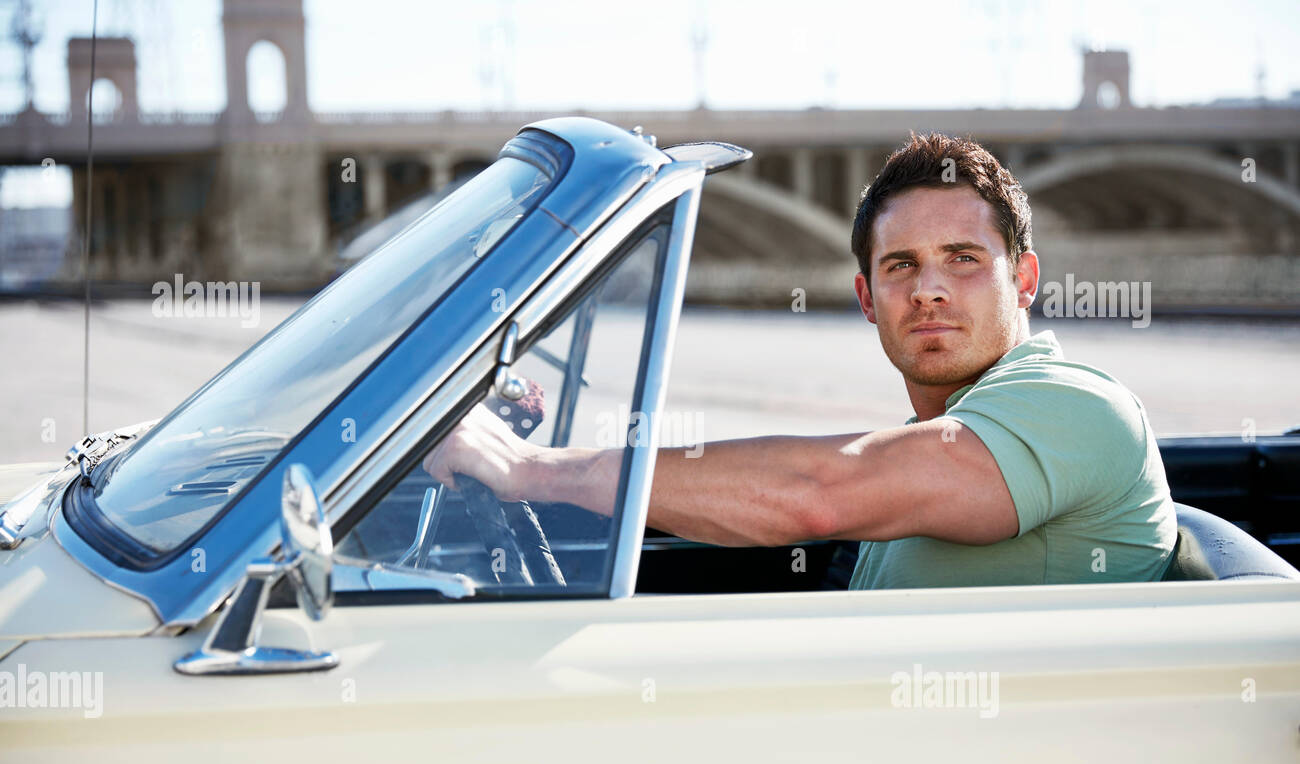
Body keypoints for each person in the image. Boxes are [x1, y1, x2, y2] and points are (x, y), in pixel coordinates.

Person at [424, 132, 1177, 588]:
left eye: (964, 259)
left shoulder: (1079, 407)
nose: (931, 290)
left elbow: (818, 491)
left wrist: (532, 471)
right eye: (902, 266)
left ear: (1026, 280)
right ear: (865, 296)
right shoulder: (944, 435)